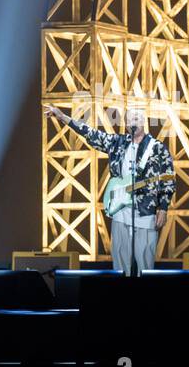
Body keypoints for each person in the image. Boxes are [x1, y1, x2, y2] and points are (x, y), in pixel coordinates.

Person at [44, 103, 176, 274]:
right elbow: (90, 133)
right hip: (120, 212)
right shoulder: (117, 143)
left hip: (145, 212)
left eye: (135, 119)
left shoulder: (157, 148)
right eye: (129, 120)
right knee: (120, 266)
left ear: (144, 121)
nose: (132, 123)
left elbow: (168, 178)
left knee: (145, 265)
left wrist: (163, 208)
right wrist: (62, 117)